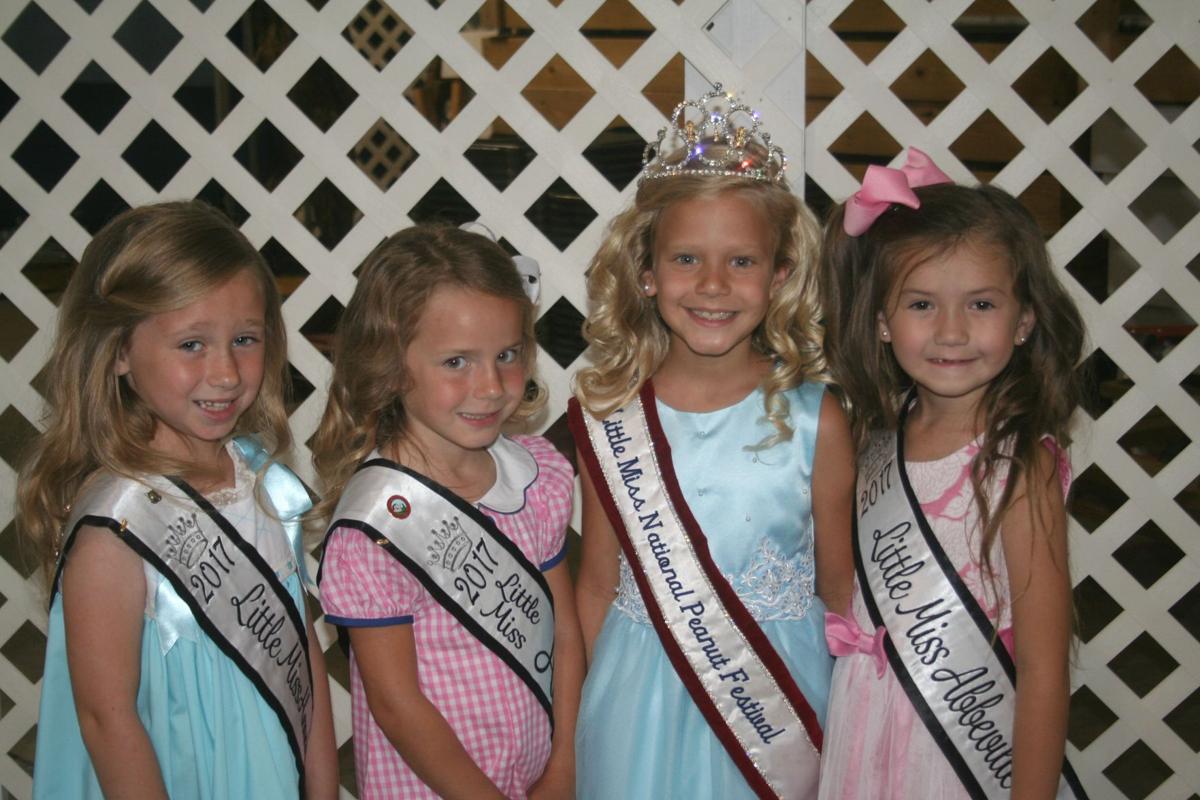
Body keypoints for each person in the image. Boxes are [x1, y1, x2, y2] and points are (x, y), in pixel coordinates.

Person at [569, 85, 856, 799]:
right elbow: (597, 586)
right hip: (637, 699)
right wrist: (567, 727)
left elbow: (839, 588)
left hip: (781, 696)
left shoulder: (818, 419)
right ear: (645, 272)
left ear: (781, 274)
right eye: (686, 259)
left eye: (743, 262)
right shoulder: (611, 419)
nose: (713, 286)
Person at [22, 201, 338, 799]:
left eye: (245, 339)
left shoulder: (263, 484)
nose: (225, 373)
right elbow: (106, 719)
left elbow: (298, 658)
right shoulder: (115, 524)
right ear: (117, 352)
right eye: (192, 344)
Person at [817, 148, 1090, 799]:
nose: (951, 332)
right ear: (881, 320)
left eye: (981, 305)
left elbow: (1046, 672)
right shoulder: (872, 438)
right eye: (920, 305)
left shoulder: (1017, 467)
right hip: (866, 729)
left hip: (957, 749)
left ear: (1025, 319)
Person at [312, 224, 582, 799]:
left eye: (507, 355)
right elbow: (396, 703)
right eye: (457, 361)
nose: (490, 386)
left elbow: (563, 634)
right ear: (390, 363)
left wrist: (563, 767)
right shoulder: (376, 527)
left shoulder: (534, 479)